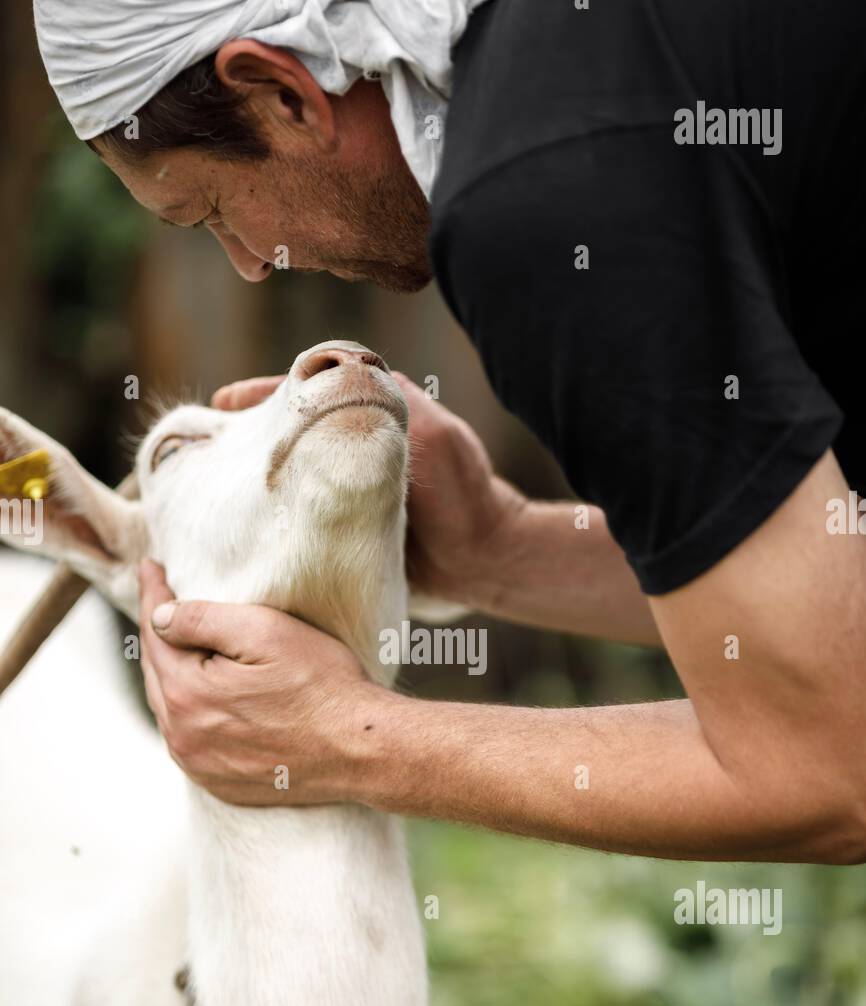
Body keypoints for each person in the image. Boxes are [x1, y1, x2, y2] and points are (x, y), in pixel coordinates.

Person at [33, 0, 866, 863]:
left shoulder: (543, 196)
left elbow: (831, 767)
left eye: (207, 210)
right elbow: (826, 606)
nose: (246, 262)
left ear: (280, 91)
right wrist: (503, 549)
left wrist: (341, 737)